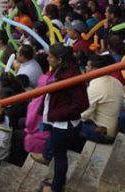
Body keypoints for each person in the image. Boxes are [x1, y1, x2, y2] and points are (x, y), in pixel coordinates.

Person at [35, 44, 89, 192]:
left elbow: (82, 104)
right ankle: (58, 181)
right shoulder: (65, 71)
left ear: (59, 59)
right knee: (59, 155)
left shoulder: (71, 77)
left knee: (59, 157)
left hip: (64, 125)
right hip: (60, 123)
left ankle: (56, 188)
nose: (47, 58)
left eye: (50, 57)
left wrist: (55, 114)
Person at [79, 54, 123, 143]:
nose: (86, 69)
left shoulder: (95, 87)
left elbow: (83, 116)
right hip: (116, 128)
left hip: (105, 133)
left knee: (67, 124)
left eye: (88, 66)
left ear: (95, 70)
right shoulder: (116, 81)